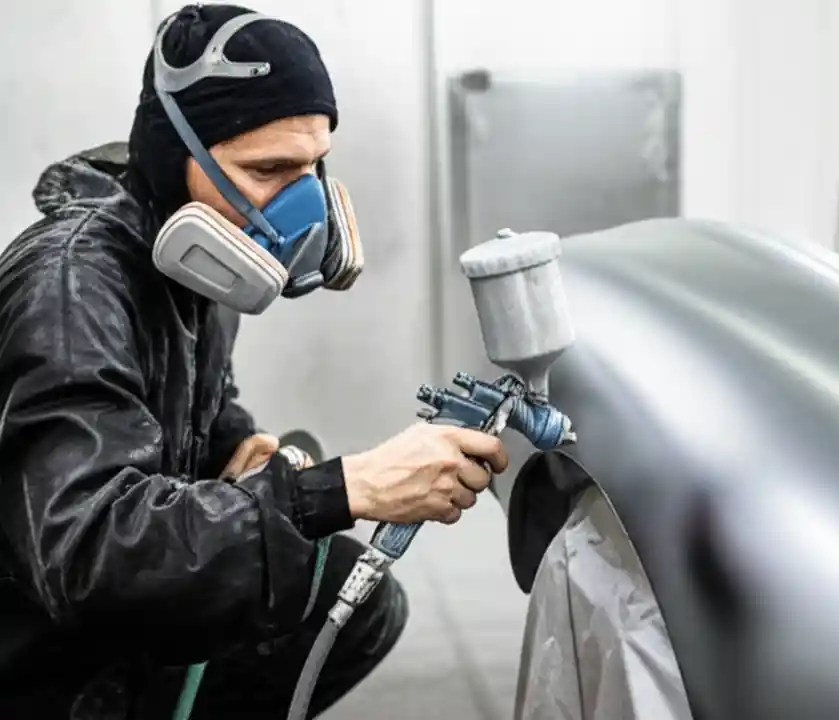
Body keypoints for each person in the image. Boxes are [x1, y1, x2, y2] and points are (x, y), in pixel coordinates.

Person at [0, 4, 508, 717]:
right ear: (176, 160)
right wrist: (337, 489)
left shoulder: (198, 266)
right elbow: (85, 553)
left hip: (122, 621)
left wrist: (235, 445)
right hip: (47, 661)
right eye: (269, 170)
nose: (305, 206)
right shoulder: (71, 287)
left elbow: (184, 403)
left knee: (350, 602)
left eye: (313, 166)